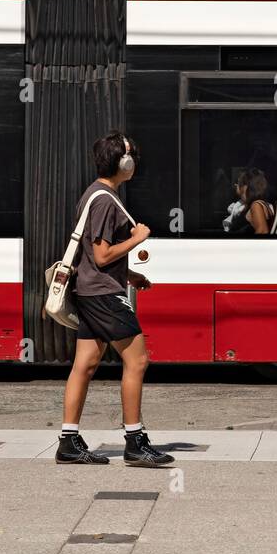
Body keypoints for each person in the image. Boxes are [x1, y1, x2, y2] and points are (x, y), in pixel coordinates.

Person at [56, 130, 174, 467]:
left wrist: (131, 275)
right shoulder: (106, 200)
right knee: (137, 361)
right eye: (130, 154)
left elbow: (96, 259)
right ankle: (135, 441)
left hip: (90, 290)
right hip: (104, 295)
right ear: (121, 161)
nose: (133, 160)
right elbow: (102, 254)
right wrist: (138, 238)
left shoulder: (94, 194)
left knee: (86, 364)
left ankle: (68, 441)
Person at [225, 168, 274, 235]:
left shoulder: (256, 205)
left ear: (246, 186)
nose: (236, 185)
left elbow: (262, 231)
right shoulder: (250, 205)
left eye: (238, 183)